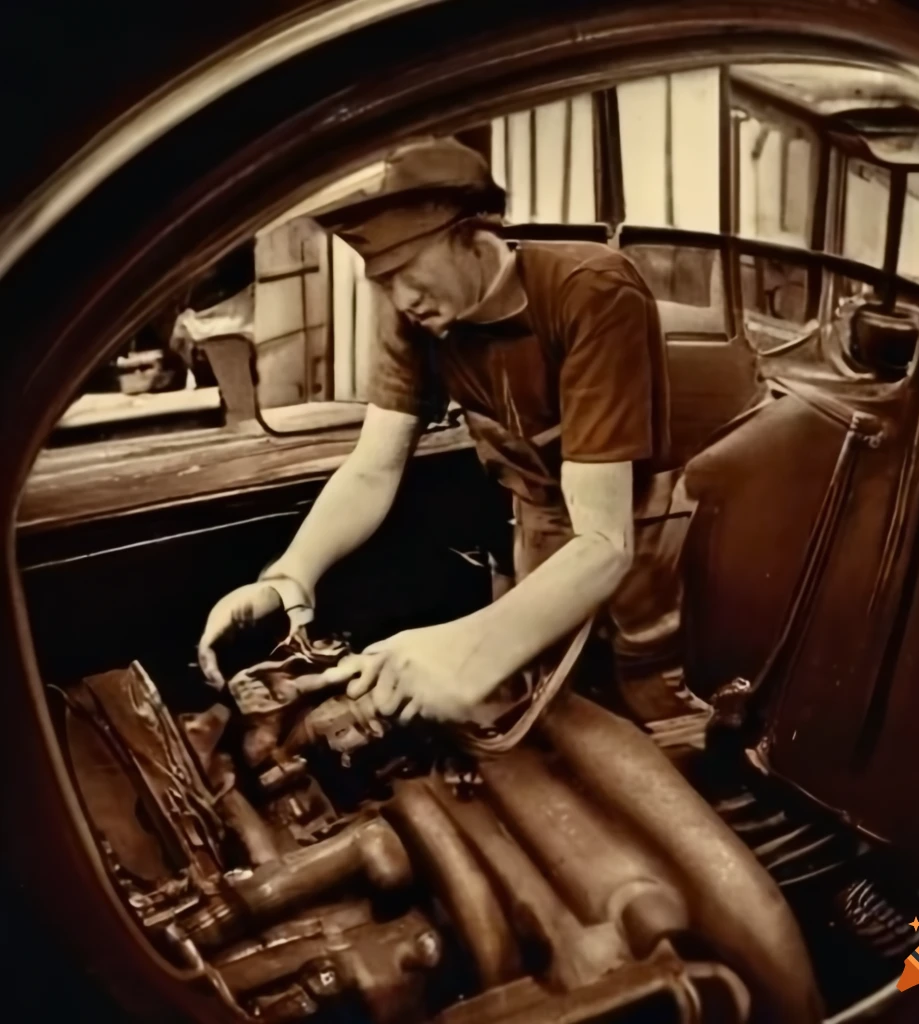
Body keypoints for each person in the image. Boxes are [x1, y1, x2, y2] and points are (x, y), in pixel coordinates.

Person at [197, 135, 705, 726]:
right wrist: (290, 579)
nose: (399, 297)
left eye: (407, 270)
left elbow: (603, 542)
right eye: (381, 280)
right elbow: (373, 466)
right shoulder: (412, 313)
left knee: (648, 673)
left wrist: (464, 648)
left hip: (637, 515)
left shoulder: (592, 289)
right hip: (538, 509)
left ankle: (701, 785)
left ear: (474, 238)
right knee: (537, 695)